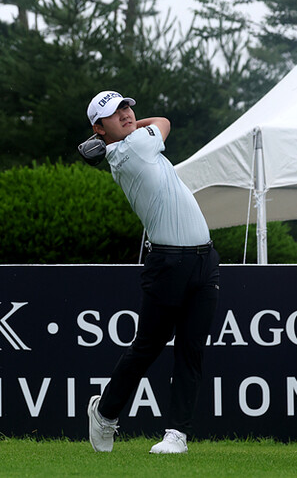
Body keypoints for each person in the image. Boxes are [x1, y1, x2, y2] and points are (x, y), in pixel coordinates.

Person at [83, 90, 220, 454]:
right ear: (99, 128)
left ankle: (177, 435)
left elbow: (160, 123)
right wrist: (129, 131)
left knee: (191, 350)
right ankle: (105, 413)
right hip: (168, 264)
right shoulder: (131, 151)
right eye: (116, 113)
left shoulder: (130, 142)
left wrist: (120, 129)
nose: (127, 114)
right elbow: (163, 122)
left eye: (127, 107)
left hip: (204, 261)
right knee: (148, 347)